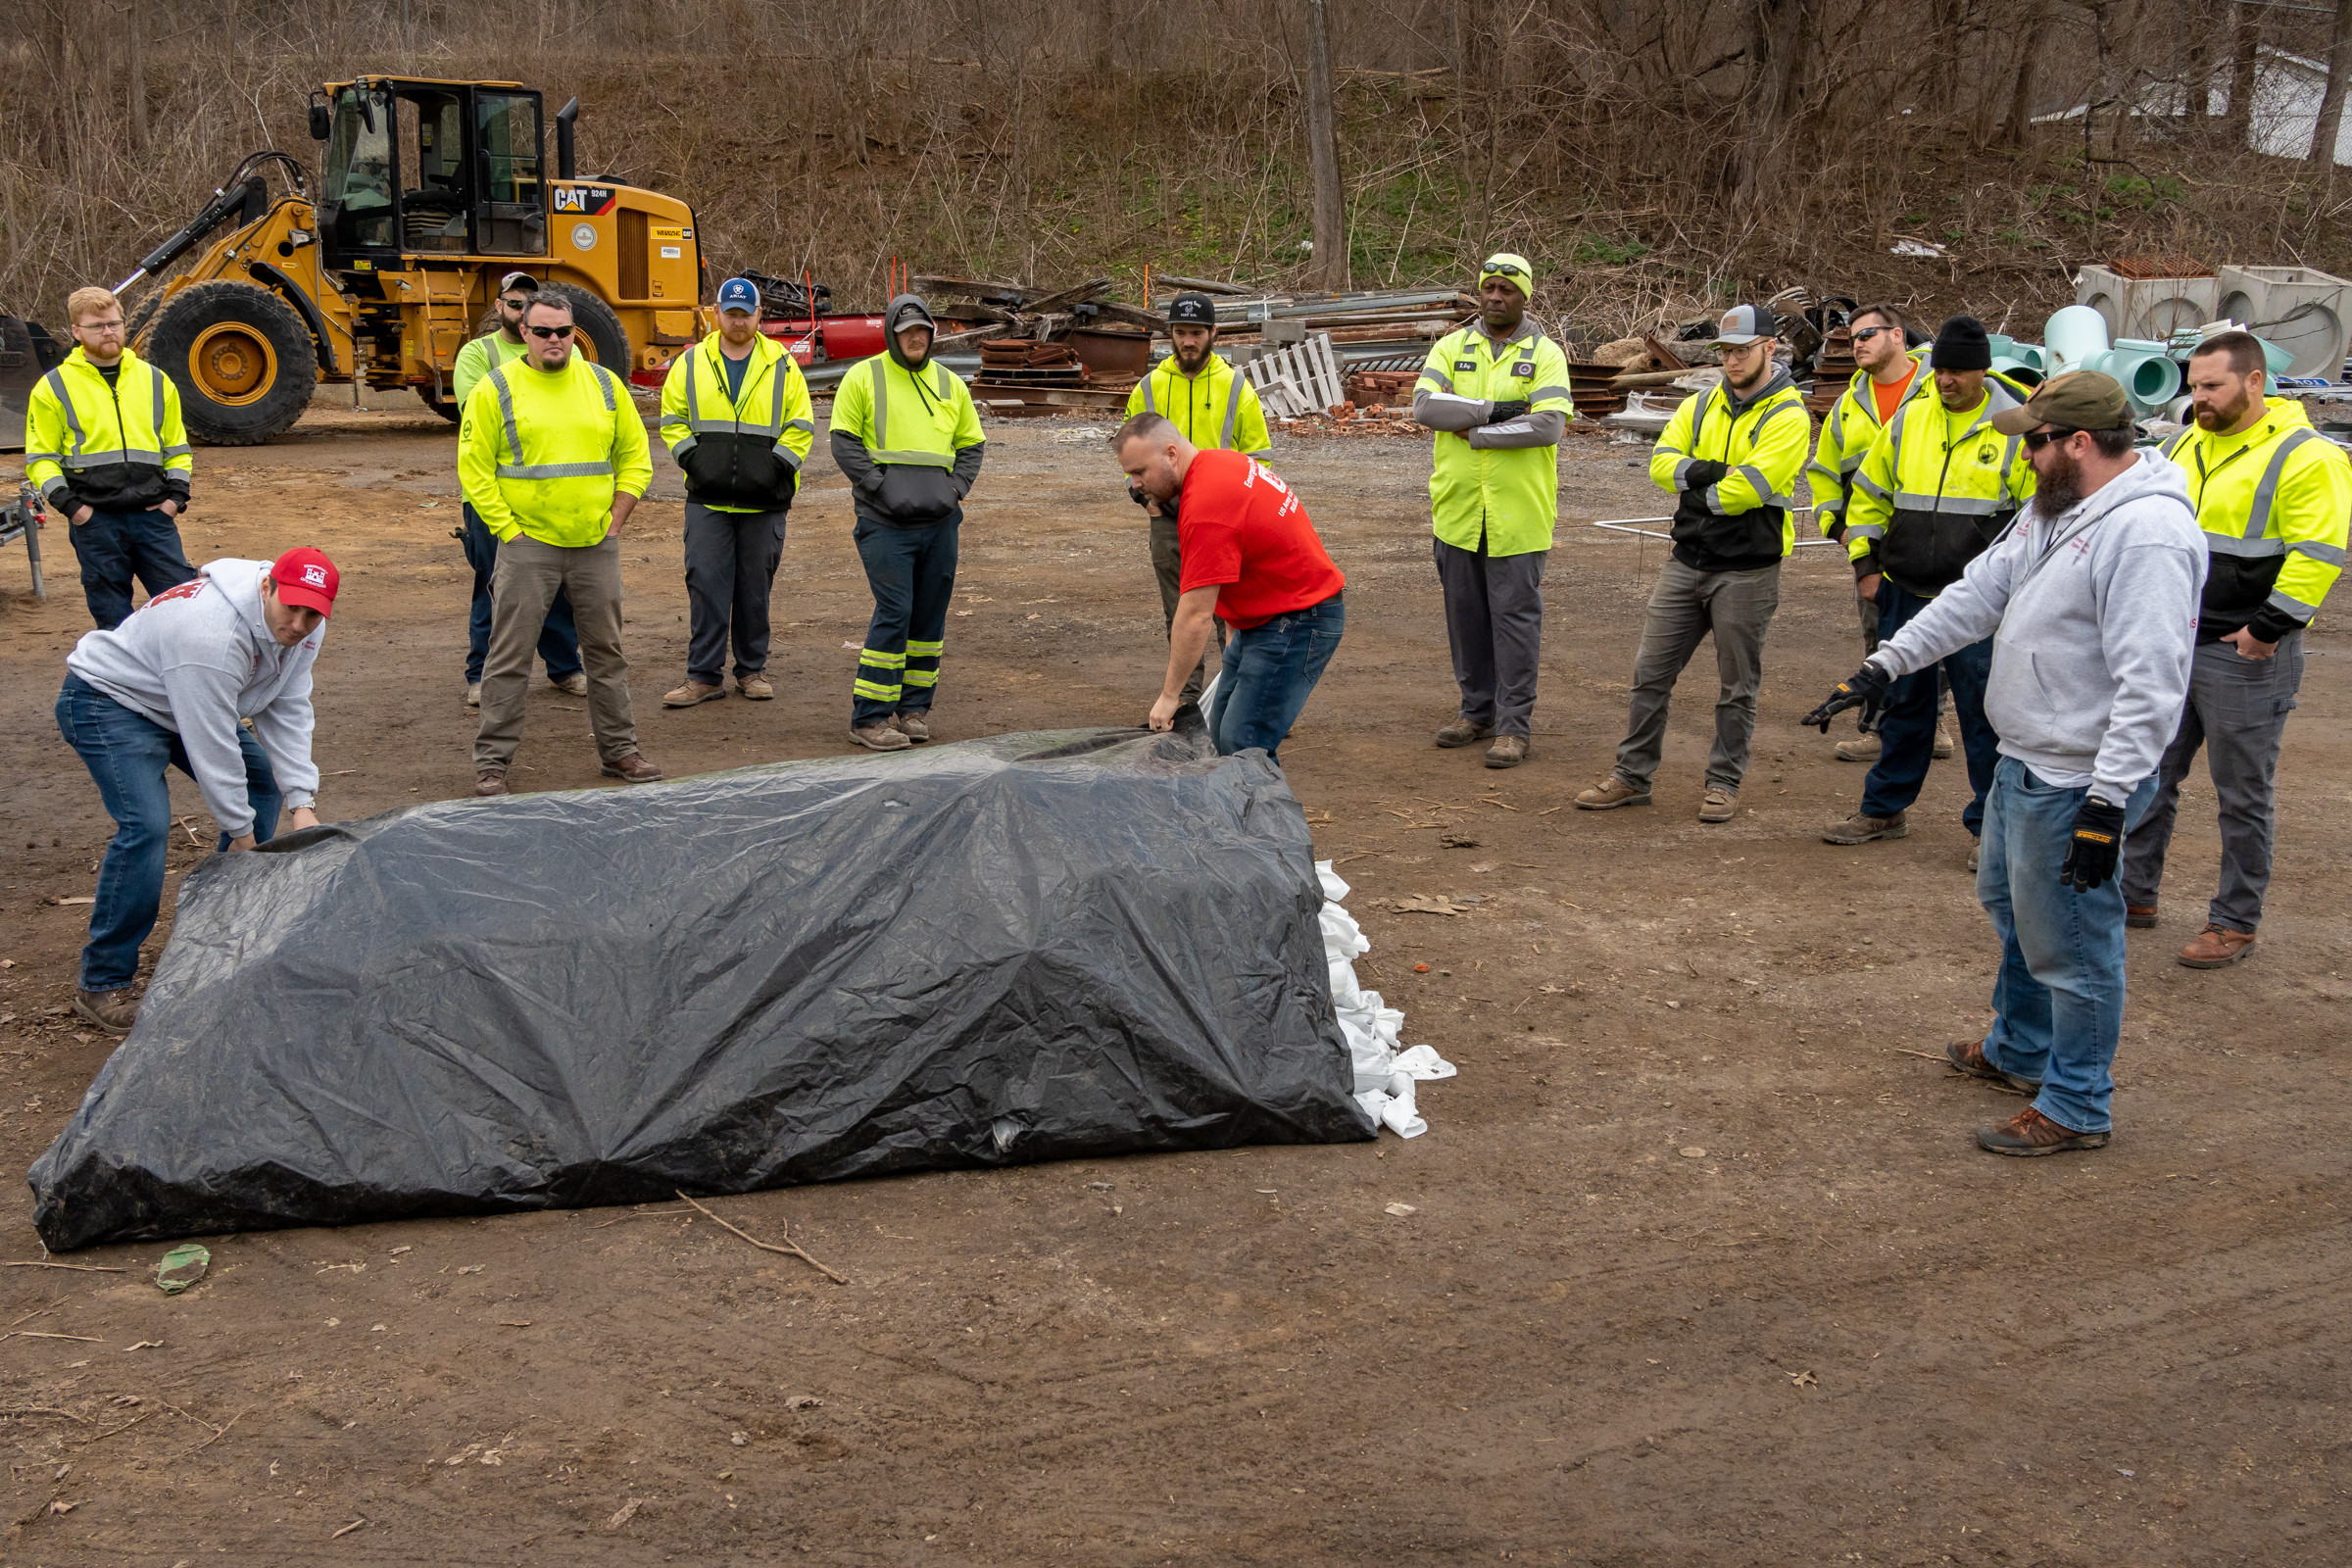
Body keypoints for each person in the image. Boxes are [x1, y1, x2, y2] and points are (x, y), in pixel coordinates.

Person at [1800, 371, 2205, 1156]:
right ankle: (2022, 1048)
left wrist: (2107, 803)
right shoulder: (2057, 511)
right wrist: (1884, 666)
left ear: (2077, 444)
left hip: (2081, 780)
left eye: (2033, 442)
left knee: (2076, 947)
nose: (2022, 455)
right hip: (2026, 759)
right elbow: (1975, 594)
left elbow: (2153, 684)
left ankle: (2078, 1103)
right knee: (2014, 912)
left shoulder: (2145, 535)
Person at [2122, 330, 2351, 966]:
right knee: (2150, 772)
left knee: (2242, 793)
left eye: (2211, 386)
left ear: (2254, 382)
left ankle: (2235, 922)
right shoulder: (2187, 441)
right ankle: (2134, 894)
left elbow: (2319, 555)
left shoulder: (2309, 457)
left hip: (2244, 653)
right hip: (2173, 641)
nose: (2198, 398)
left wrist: (2267, 630)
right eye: (2193, 386)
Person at [52, 547, 338, 1034]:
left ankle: (214, 925)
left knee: (262, 784)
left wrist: (302, 802)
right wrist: (243, 836)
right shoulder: (212, 633)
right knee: (146, 825)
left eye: (313, 613)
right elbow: (211, 745)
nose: (298, 623)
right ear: (266, 588)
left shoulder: (307, 628)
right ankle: (103, 980)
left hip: (178, 702)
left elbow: (287, 707)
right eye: (291, 607)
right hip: (110, 700)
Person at [1577, 303, 1809, 822]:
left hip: (1748, 569)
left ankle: (1723, 783)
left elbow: (1747, 492)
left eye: (1742, 350)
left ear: (1770, 348)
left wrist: (1697, 482)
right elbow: (1661, 466)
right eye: (1725, 351)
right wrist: (1714, 471)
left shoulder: (1789, 415)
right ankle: (1632, 777)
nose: (1732, 360)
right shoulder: (1700, 405)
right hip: (1687, 561)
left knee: (1737, 686)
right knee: (1649, 674)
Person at [1823, 317, 2034, 860]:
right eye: (1940, 369)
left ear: (1982, 370)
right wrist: (1866, 566)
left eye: (1958, 371)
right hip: (1906, 591)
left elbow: (2035, 518)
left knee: (1985, 718)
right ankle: (1883, 809)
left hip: (1981, 606)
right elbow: (1868, 497)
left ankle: (1991, 828)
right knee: (1903, 707)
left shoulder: (2013, 426)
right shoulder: (1910, 420)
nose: (1946, 381)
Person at [460, 292, 660, 796]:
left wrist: (614, 523)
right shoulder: (496, 388)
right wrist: (510, 532)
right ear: (523, 332)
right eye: (544, 331)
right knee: (508, 657)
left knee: (606, 653)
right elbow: (475, 471)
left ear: (576, 333)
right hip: (528, 546)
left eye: (564, 332)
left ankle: (620, 752)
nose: (555, 340)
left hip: (596, 543)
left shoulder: (604, 385)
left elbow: (636, 459)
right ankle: (492, 765)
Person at [1410, 253, 1574, 768]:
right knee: (1466, 620)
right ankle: (1476, 712)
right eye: (1490, 288)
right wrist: (1499, 411)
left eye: (1508, 289)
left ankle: (1513, 726)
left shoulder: (1546, 354)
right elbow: (1424, 408)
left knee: (1515, 623)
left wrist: (1476, 432)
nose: (1497, 297)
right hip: (1458, 513)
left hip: (1517, 516)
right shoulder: (1450, 346)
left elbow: (1547, 426)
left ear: (1525, 297)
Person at [1115, 414, 1343, 758]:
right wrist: (1237, 626)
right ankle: (1238, 811)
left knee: (1243, 744)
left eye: (1139, 471)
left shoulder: (1206, 506)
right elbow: (1250, 554)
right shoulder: (1219, 462)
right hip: (1272, 617)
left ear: (1171, 454)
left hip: (1298, 620)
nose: (1134, 484)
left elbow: (1194, 616)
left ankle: (1263, 813)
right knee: (1220, 735)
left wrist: (1169, 696)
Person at [829, 293, 986, 752]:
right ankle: (869, 718)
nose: (916, 338)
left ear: (932, 334)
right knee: (895, 611)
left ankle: (914, 709)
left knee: (929, 615)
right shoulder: (864, 376)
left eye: (923, 332)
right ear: (892, 335)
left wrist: (955, 488)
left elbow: (972, 444)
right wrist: (881, 488)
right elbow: (844, 442)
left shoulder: (950, 383)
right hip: (884, 522)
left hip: (940, 521)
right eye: (906, 332)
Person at [657, 275, 815, 707]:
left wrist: (773, 470)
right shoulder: (690, 363)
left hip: (764, 501)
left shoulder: (782, 363)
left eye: (747, 314)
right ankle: (704, 676)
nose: (739, 321)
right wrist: (697, 462)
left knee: (753, 590)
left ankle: (752, 671)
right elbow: (671, 419)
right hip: (708, 499)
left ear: (760, 315)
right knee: (706, 585)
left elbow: (801, 426)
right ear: (716, 314)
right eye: (731, 313)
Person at [1122, 290, 1273, 706]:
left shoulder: (1236, 386)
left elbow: (1260, 457)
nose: (1188, 341)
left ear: (1213, 333)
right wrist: (1146, 502)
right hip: (1169, 521)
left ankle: (1243, 697)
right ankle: (1188, 700)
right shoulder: (1149, 387)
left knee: (1235, 614)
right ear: (1170, 334)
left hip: (1223, 523)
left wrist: (1243, 512)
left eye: (1196, 333)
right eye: (1180, 332)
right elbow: (1130, 451)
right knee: (1180, 613)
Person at [23, 285, 196, 629]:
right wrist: (75, 510)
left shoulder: (155, 381)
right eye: (97, 326)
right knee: (113, 623)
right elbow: (41, 457)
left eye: (114, 324)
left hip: (154, 519)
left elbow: (176, 447)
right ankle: (124, 682)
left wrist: (175, 499)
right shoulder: (53, 387)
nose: (108, 332)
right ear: (76, 331)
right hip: (97, 523)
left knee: (184, 611)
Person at [1802, 302, 1932, 762]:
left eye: (1868, 334)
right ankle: (1883, 731)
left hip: (1938, 539)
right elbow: (1824, 471)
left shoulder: (1937, 391)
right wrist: (1835, 523)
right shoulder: (1848, 406)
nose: (1857, 343)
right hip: (1874, 544)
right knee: (1881, 635)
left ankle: (1927, 726)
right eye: (1853, 337)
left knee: (1948, 637)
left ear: (1898, 336)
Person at [451, 271, 583, 708]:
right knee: (495, 587)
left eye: (529, 299)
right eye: (514, 301)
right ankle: (481, 674)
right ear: (502, 309)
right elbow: (479, 414)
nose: (521, 307)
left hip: (551, 497)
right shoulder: (478, 355)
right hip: (492, 500)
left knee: (556, 587)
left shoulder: (569, 354)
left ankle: (564, 668)